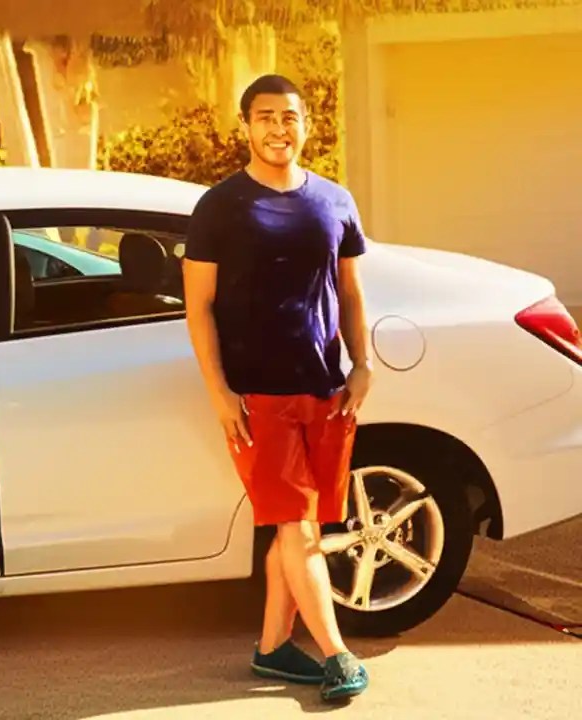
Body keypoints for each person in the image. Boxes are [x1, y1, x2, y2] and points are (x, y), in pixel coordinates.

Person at [182, 74, 372, 703]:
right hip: (256, 397)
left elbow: (348, 291)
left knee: (300, 524)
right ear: (245, 126)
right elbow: (199, 307)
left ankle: (271, 649)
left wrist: (362, 363)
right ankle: (338, 654)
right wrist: (217, 389)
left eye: (289, 117)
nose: (277, 128)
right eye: (265, 117)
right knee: (297, 527)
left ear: (306, 125)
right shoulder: (220, 207)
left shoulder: (335, 201)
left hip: (324, 388)